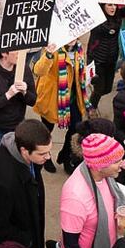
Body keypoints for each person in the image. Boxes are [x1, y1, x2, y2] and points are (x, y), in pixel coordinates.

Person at [0, 119, 51, 248]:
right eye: (42, 154)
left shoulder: (26, 153)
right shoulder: (3, 182)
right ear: (24, 150)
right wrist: (27, 240)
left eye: (48, 152)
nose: (48, 157)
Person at [32, 42, 91, 174]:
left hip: (73, 97)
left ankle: (65, 156)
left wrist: (88, 75)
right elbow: (38, 70)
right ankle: (45, 156)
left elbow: (80, 71)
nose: (72, 39)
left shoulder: (79, 49)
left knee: (76, 128)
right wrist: (48, 54)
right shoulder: (53, 48)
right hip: (52, 98)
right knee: (47, 129)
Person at [88, 3, 125, 108]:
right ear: (103, 6)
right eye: (110, 5)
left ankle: (91, 103)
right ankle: (91, 108)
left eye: (115, 5)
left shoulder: (118, 14)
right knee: (99, 89)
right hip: (97, 59)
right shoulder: (95, 17)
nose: (113, 8)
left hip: (112, 58)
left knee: (107, 89)